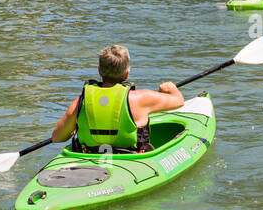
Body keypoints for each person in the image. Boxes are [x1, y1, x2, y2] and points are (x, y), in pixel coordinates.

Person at [48, 45, 186, 154]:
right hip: (130, 159)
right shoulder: (141, 98)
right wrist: (170, 88)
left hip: (89, 156)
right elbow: (178, 101)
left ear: (99, 71)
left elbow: (57, 138)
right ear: (127, 74)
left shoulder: (81, 101)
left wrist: (74, 128)